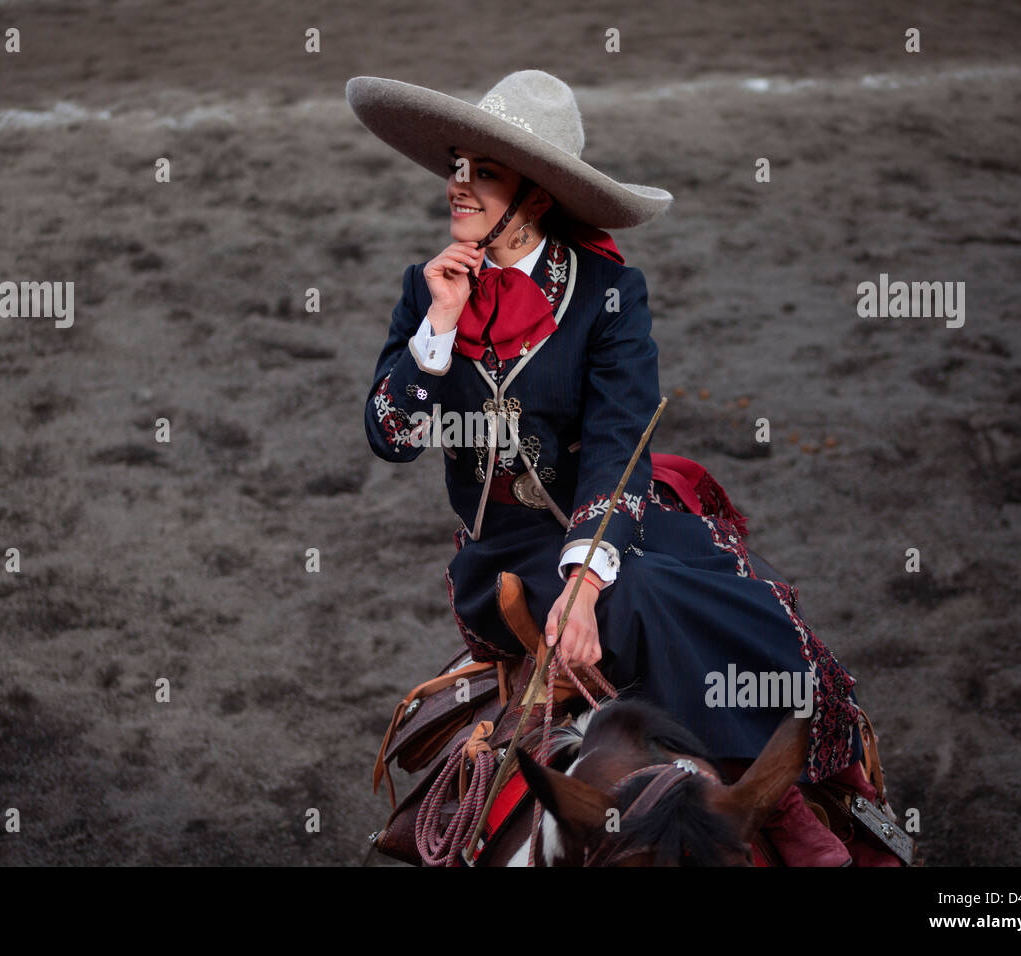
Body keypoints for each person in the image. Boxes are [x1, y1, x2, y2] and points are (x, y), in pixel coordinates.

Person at [347, 70, 899, 865]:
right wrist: (436, 327)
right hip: (502, 553)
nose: (457, 186)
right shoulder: (425, 290)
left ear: (535, 198)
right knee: (649, 595)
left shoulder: (609, 293)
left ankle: (778, 796)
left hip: (602, 528)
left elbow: (619, 436)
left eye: (483, 172)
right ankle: (770, 804)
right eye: (458, 165)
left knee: (717, 598)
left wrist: (587, 576)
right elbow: (390, 436)